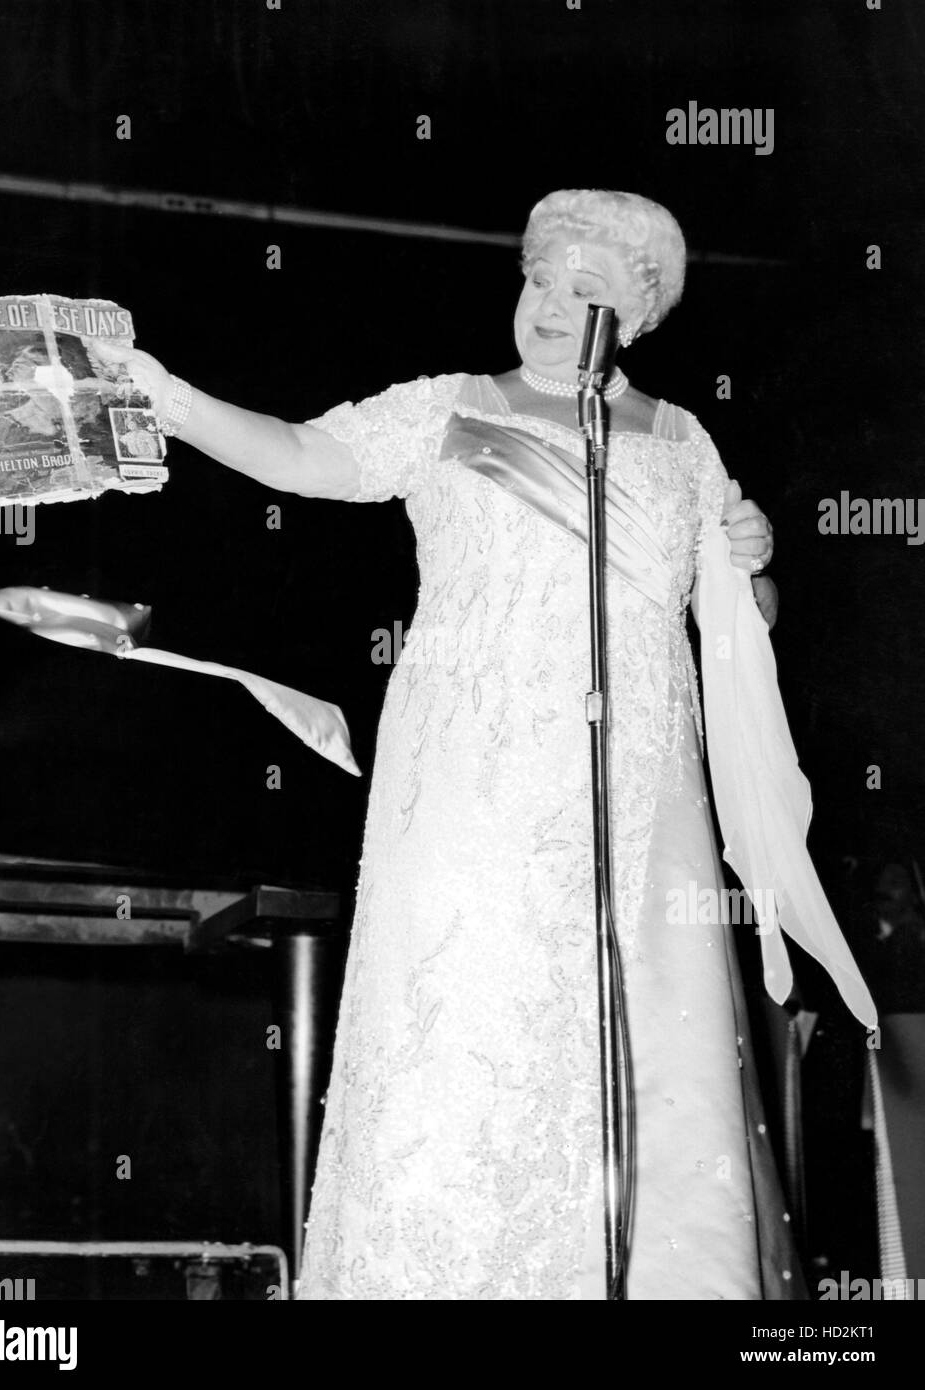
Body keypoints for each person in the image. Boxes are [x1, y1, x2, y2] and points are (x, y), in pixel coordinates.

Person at [94, 188, 873, 1300]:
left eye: (585, 289)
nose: (551, 304)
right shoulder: (451, 410)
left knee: (644, 1069)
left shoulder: (681, 443)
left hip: (637, 805)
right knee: (461, 1043)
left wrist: (752, 561)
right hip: (467, 795)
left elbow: (745, 619)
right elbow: (307, 456)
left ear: (642, 315)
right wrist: (168, 400)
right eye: (539, 279)